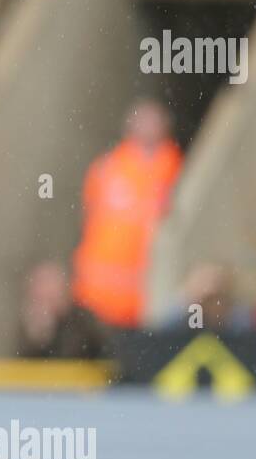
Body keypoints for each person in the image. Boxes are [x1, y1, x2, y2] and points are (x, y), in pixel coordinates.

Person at [71, 98, 182, 329]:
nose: (146, 127)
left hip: (143, 294)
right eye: (141, 120)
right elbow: (87, 216)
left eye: (152, 121)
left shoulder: (173, 168)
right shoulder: (106, 167)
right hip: (95, 291)